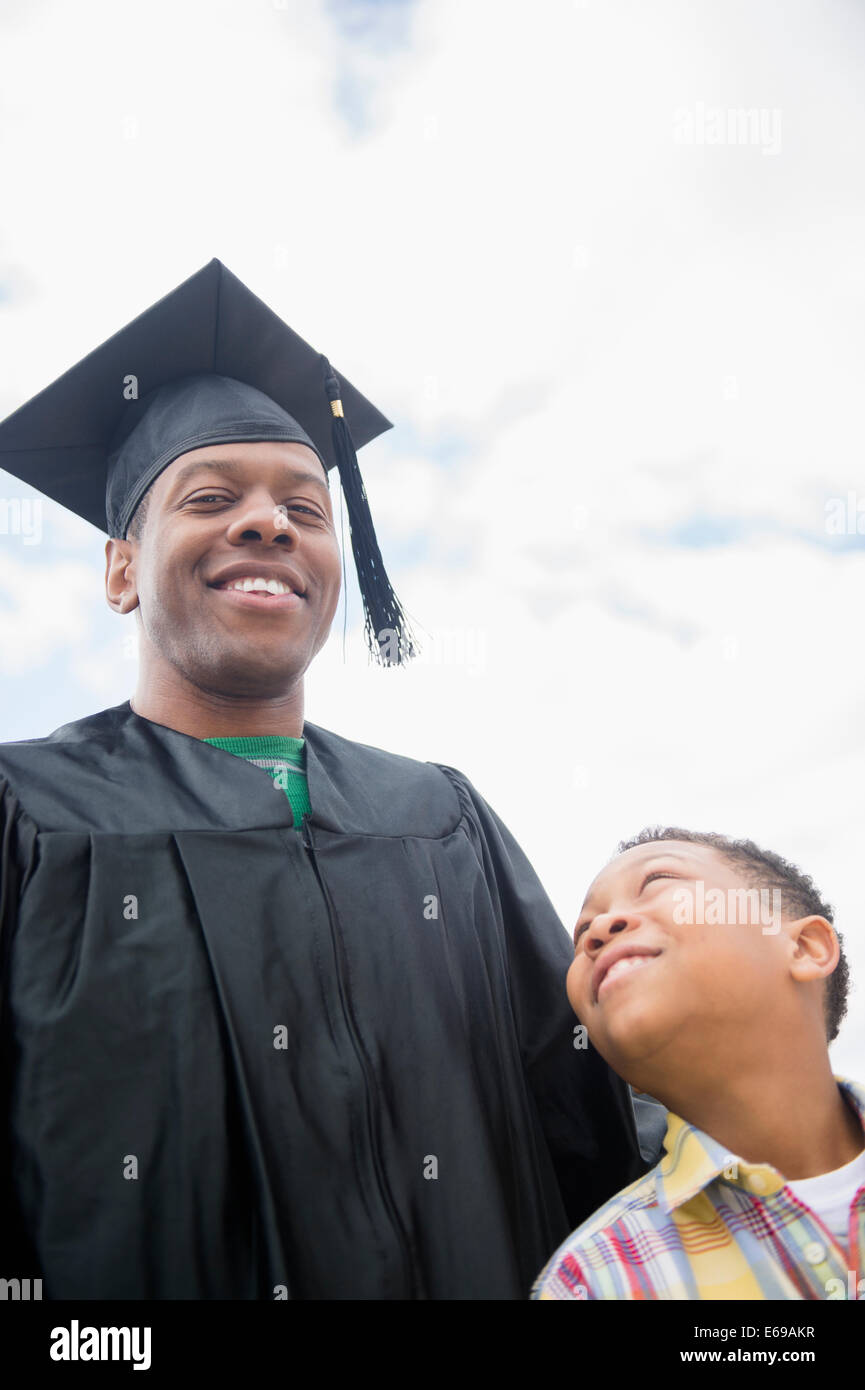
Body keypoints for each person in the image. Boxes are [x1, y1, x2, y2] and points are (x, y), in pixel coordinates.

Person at [0, 260, 662, 1300]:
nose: (268, 525)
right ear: (121, 569)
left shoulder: (441, 822)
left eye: (306, 509)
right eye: (211, 498)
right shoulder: (28, 816)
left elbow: (588, 1117)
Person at [531, 826, 864, 1300]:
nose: (600, 931)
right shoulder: (591, 1281)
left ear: (804, 947)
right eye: (583, 932)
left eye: (658, 882)